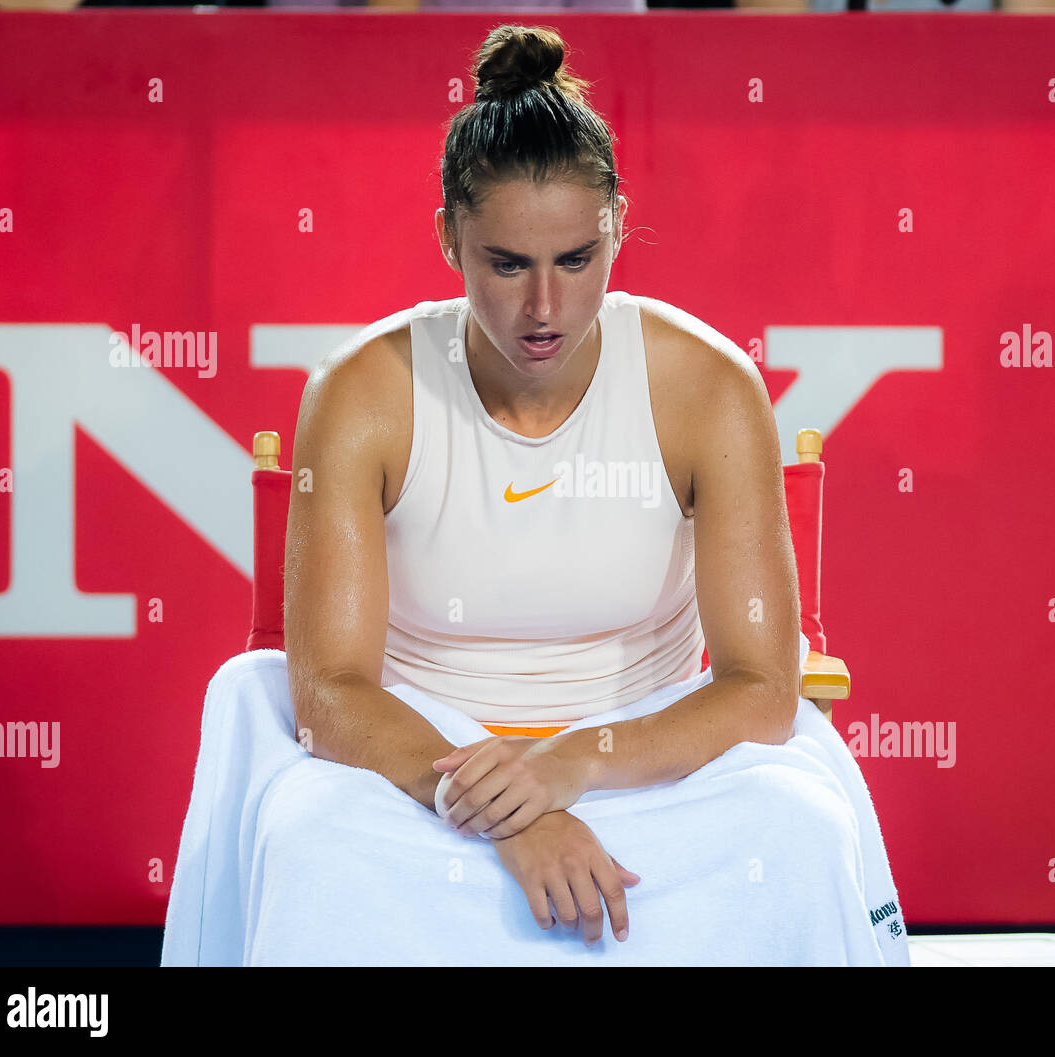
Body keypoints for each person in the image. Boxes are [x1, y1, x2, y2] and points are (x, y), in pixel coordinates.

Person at [164, 23, 907, 966]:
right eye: (507, 265)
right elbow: (331, 691)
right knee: (311, 841)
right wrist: (509, 814)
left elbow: (762, 690)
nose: (544, 309)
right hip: (418, 765)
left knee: (797, 832)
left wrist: (571, 765)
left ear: (618, 228)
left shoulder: (712, 387)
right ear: (449, 238)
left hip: (647, 756)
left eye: (577, 261)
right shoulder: (358, 391)